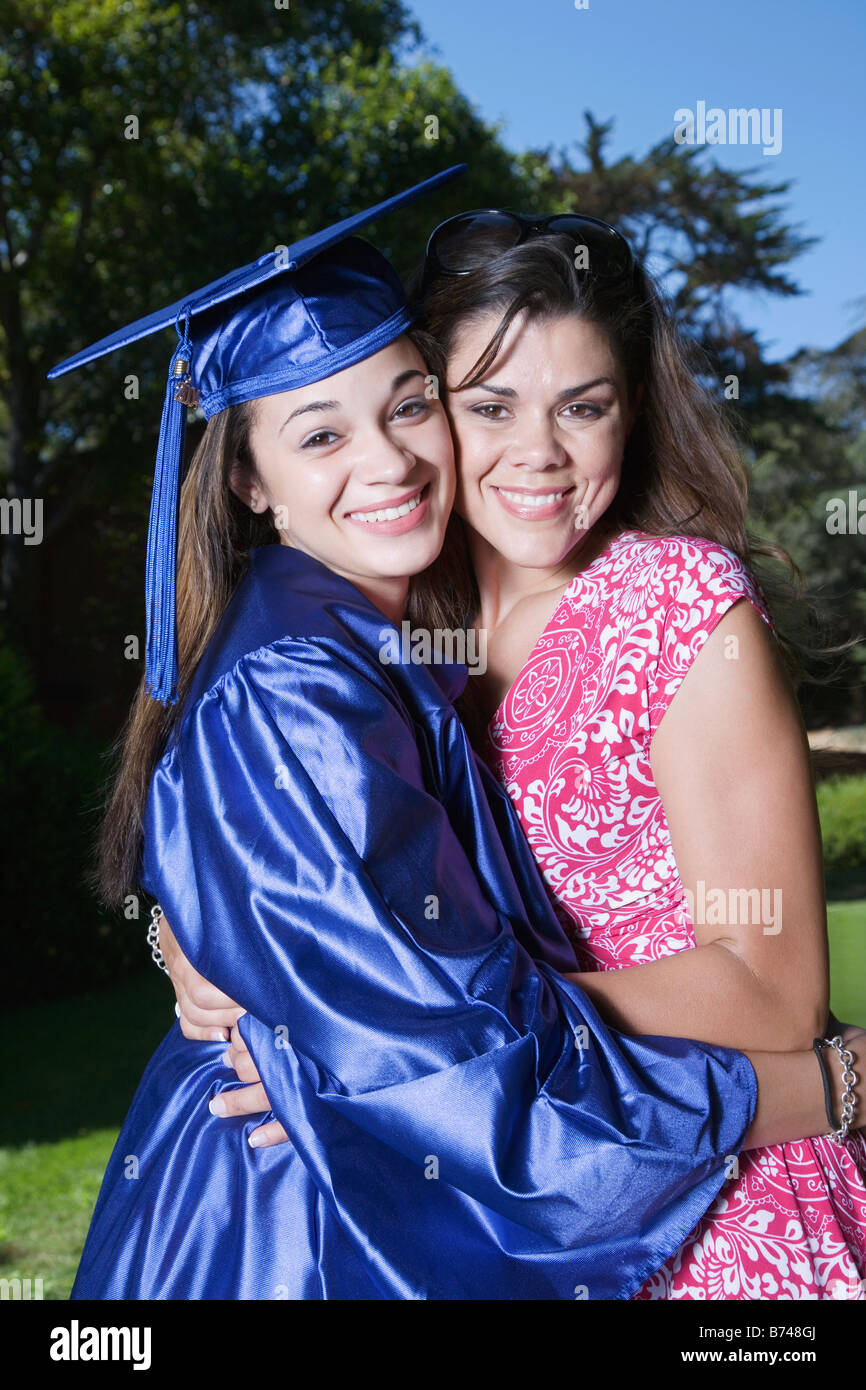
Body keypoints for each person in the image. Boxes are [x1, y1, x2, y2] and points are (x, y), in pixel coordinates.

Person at [53, 174, 863, 1301]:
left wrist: (363, 1020)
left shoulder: (669, 603)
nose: (535, 451)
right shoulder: (386, 625)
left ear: (632, 407)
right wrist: (228, 957)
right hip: (491, 1180)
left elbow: (773, 995)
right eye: (487, 406)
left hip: (698, 1180)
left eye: (582, 405)